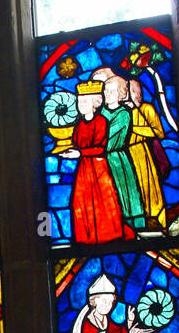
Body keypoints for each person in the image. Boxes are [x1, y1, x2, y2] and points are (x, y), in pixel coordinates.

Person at [62, 79, 134, 243]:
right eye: (80, 101)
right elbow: (76, 142)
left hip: (98, 167)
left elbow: (101, 148)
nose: (81, 104)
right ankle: (84, 237)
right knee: (80, 201)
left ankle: (107, 235)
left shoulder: (101, 122)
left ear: (96, 102)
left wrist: (79, 153)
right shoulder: (79, 124)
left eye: (85, 101)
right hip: (84, 169)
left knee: (102, 200)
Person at [97, 72, 145, 232]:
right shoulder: (101, 113)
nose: (107, 94)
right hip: (101, 159)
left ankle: (131, 226)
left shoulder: (124, 114)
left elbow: (109, 137)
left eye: (111, 91)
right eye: (105, 91)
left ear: (120, 94)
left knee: (123, 191)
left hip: (116, 158)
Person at [127, 78, 168, 228]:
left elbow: (159, 133)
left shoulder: (146, 109)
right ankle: (137, 225)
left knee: (150, 190)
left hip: (144, 153)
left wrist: (134, 128)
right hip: (125, 156)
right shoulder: (121, 111)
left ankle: (158, 221)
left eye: (128, 90)